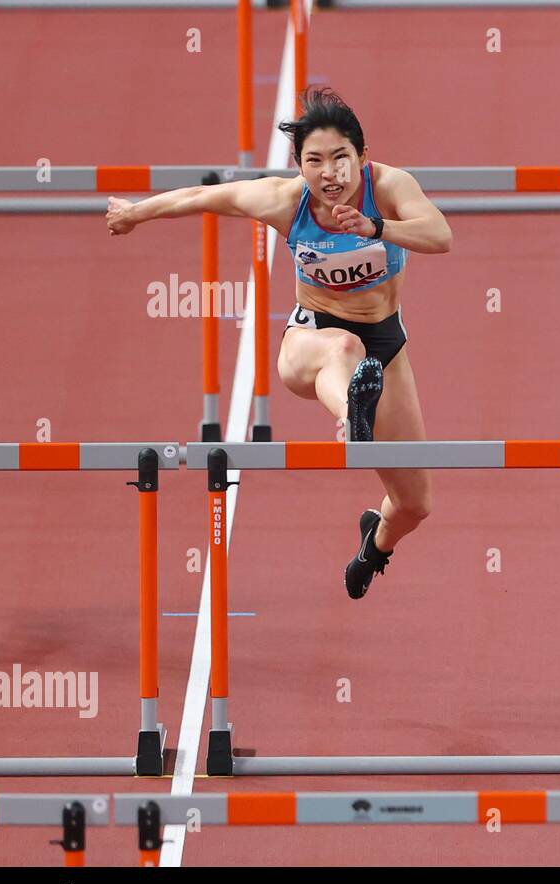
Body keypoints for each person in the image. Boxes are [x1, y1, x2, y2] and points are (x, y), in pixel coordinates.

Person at [106, 88, 452, 598]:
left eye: (340, 158)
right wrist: (137, 212)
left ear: (361, 155)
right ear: (300, 167)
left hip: (385, 344)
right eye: (314, 161)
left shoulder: (390, 186)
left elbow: (440, 235)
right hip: (310, 340)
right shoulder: (287, 202)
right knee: (343, 353)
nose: (329, 173)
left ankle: (373, 543)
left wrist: (377, 225)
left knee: (415, 503)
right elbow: (204, 197)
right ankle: (350, 416)